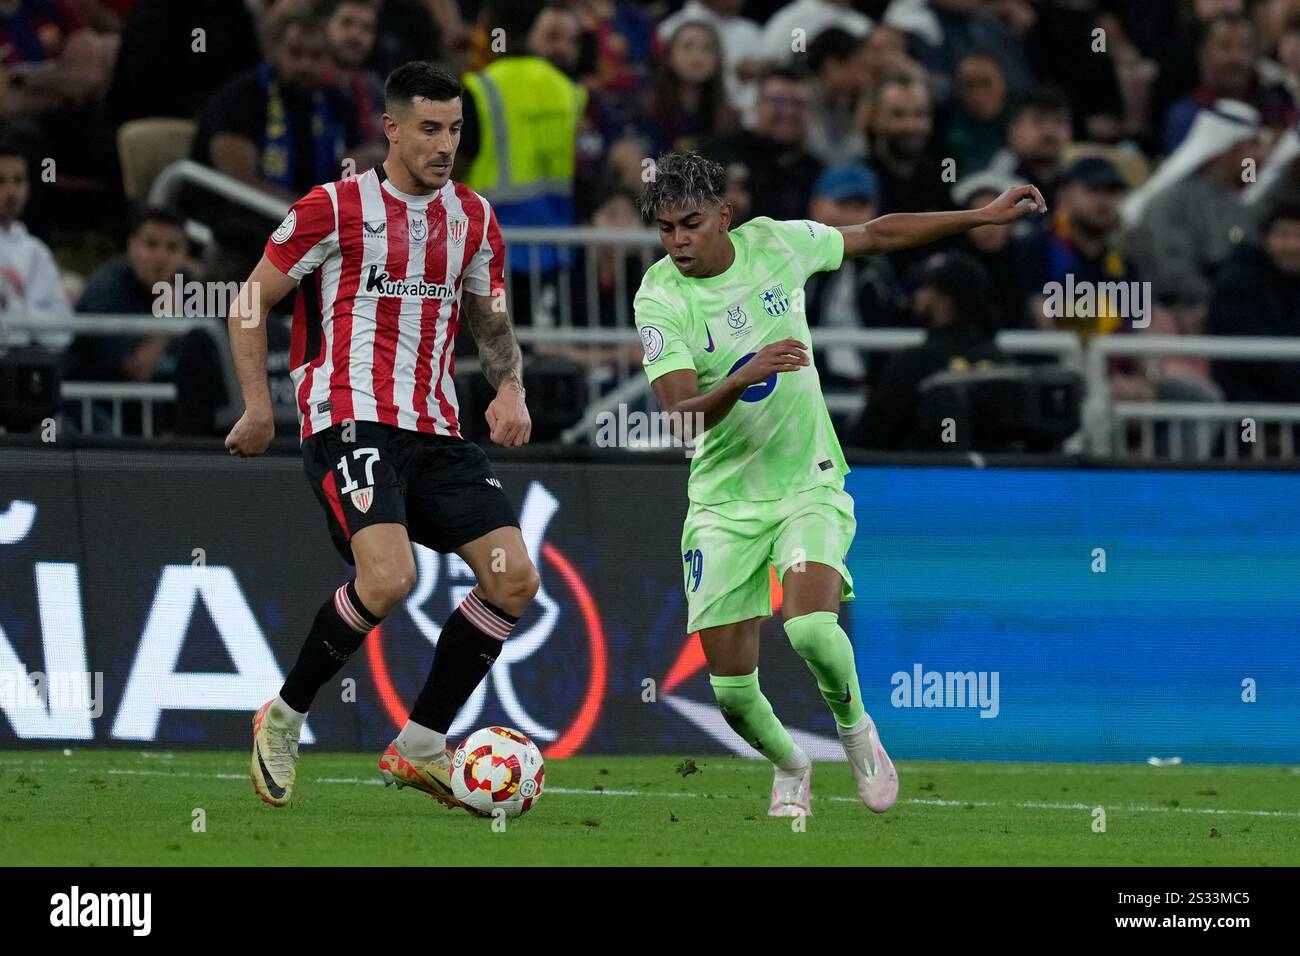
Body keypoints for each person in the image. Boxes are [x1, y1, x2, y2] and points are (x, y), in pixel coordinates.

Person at [632, 149, 1045, 816]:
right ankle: (792, 764)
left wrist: (980, 215)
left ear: (724, 217)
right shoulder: (659, 298)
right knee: (735, 695)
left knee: (811, 628)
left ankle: (857, 734)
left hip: (808, 481)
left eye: (691, 223)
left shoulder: (776, 244)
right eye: (666, 228)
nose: (678, 241)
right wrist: (741, 375)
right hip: (723, 501)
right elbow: (682, 421)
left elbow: (879, 232)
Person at [224, 62, 540, 809]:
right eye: (429, 129)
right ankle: (285, 716)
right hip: (350, 420)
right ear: (391, 129)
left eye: (455, 130)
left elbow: (490, 318)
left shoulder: (474, 218)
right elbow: (248, 301)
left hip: (438, 433)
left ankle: (421, 744)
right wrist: (258, 405)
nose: (444, 145)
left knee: (514, 578)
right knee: (390, 578)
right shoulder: (332, 209)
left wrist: (510, 384)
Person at [191, 0, 362, 203]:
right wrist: (311, 214)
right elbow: (239, 186)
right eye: (295, 53)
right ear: (274, 51)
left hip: (310, 219)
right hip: (234, 219)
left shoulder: (336, 101)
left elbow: (359, 161)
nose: (305, 66)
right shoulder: (238, 98)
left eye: (316, 56)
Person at [855, 251, 1007, 451]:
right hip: (992, 480)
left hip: (917, 476)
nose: (917, 295)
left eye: (925, 287)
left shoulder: (911, 364)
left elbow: (868, 439)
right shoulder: (1001, 362)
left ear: (946, 300)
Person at [69, 206, 187, 386]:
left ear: (184, 255)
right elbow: (136, 373)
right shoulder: (108, 288)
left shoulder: (188, 284)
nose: (161, 256)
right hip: (95, 405)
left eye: (172, 248)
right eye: (151, 245)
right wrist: (166, 316)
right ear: (132, 246)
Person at [1208, 198, 1300, 403]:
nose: (1293, 245)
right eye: (1284, 235)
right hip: (1248, 411)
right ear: (1265, 240)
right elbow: (1252, 359)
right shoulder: (1238, 283)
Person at [704, 67, 823, 223]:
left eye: (798, 103)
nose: (788, 112)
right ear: (757, 105)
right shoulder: (719, 154)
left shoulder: (817, 173)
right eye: (778, 101)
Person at [0, 140, 70, 355]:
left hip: (21, 366)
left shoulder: (36, 252)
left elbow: (63, 333)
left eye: (18, 181)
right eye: (0, 181)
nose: (11, 191)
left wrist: (17, 312)